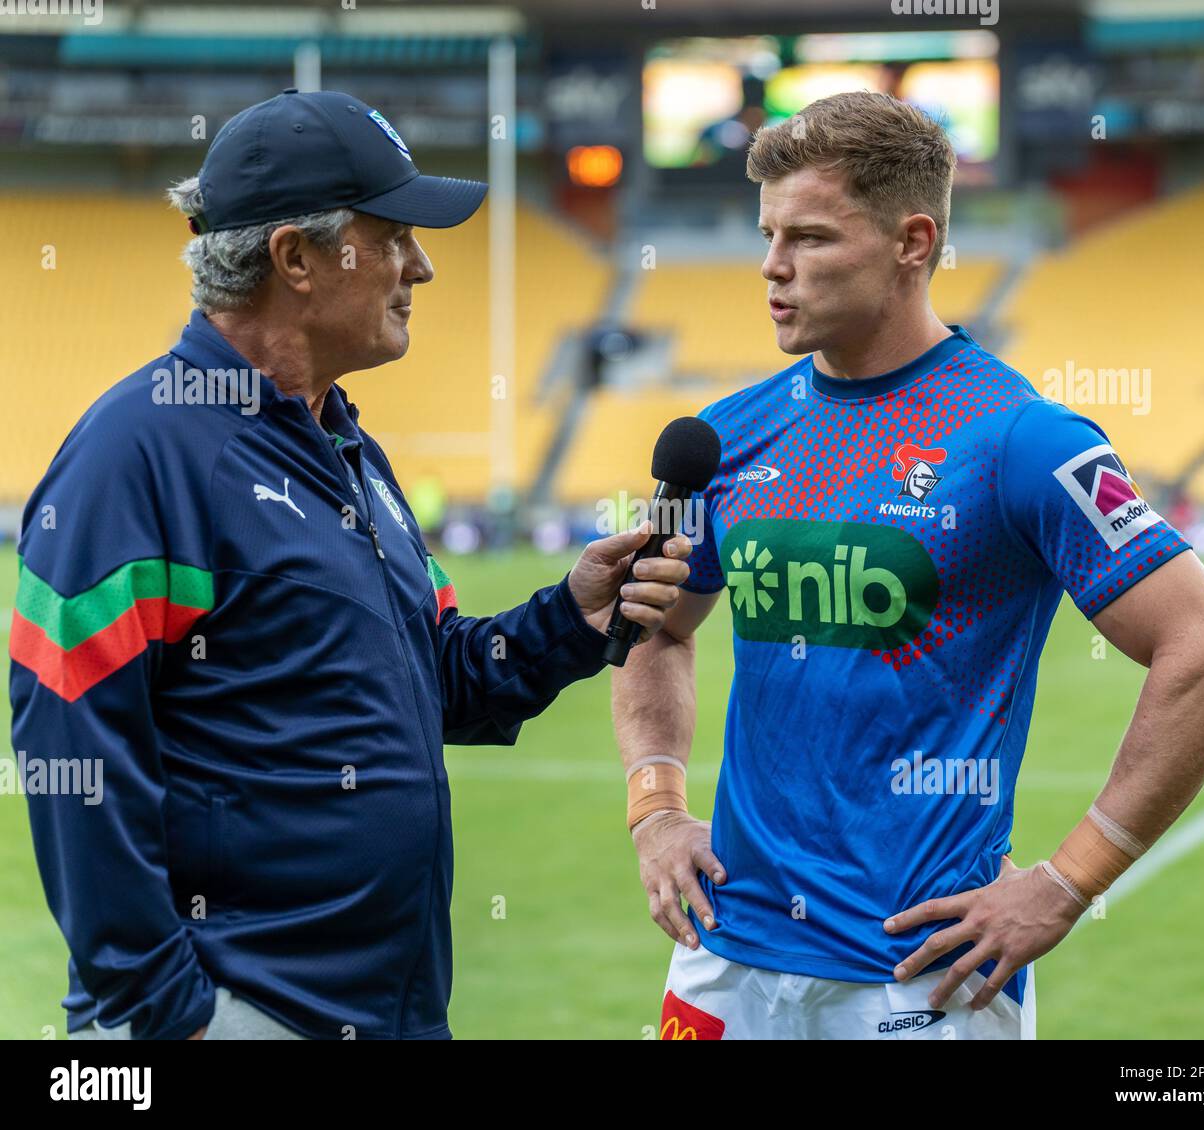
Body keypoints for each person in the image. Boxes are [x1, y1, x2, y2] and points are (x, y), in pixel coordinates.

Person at [9, 89, 693, 1040]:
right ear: (294, 256)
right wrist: (169, 1014)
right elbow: (72, 755)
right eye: (392, 233)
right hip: (236, 1012)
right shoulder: (139, 452)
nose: (420, 265)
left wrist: (570, 618)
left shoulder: (343, 444)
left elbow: (435, 678)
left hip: (386, 1009)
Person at [611, 90, 1204, 1040]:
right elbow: (656, 627)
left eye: (810, 238)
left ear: (913, 242)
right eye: (767, 235)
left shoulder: (1024, 440)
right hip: (725, 955)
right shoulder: (721, 439)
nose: (772, 268)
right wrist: (657, 807)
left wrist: (1068, 881)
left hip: (922, 981)